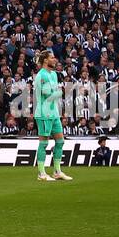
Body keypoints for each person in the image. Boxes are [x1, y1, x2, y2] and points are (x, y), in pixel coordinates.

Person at [34, 49, 72, 182]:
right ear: (45, 60)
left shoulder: (54, 75)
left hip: (54, 113)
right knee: (43, 143)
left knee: (60, 141)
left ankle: (57, 171)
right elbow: (47, 94)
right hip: (44, 113)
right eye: (52, 57)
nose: (55, 60)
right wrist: (61, 92)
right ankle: (41, 173)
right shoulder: (41, 75)